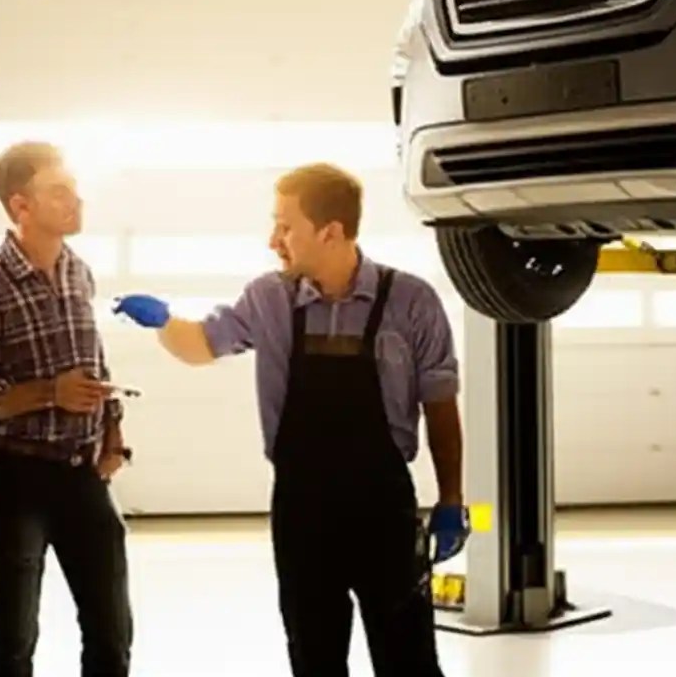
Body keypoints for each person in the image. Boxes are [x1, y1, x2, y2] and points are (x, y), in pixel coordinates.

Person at [113, 162, 469, 677]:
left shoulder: (412, 301)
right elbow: (203, 345)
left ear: (331, 232)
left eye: (285, 226)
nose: (272, 240)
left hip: (383, 509)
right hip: (302, 509)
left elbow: (440, 403)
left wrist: (453, 499)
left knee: (407, 658)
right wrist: (165, 322)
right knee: (313, 653)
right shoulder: (269, 297)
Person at [0, 141, 134, 676]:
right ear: (20, 205)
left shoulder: (78, 272)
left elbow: (92, 359)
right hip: (14, 479)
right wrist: (50, 391)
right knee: (13, 636)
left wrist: (112, 432)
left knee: (112, 632)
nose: (75, 202)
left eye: (75, 191)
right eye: (59, 192)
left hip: (80, 475)